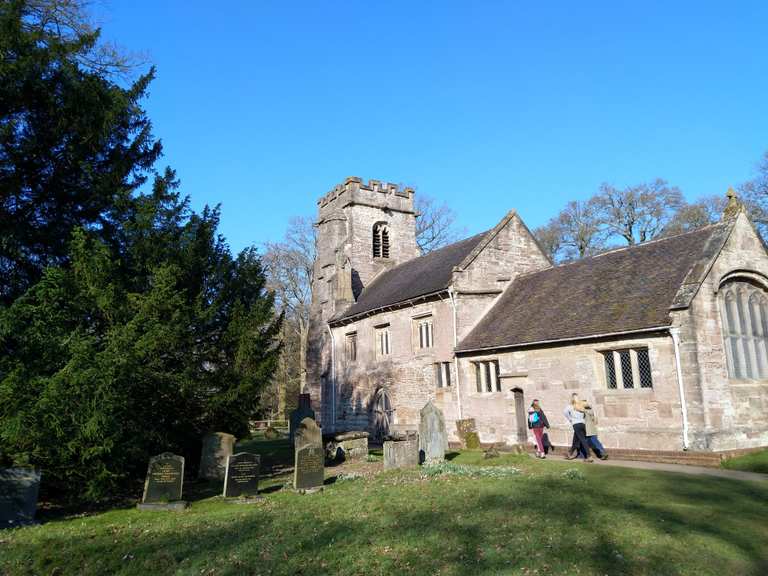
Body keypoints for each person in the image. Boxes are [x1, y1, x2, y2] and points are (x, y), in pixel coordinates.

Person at [563, 393, 593, 462]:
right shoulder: (581, 405)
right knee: (575, 440)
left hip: (576, 424)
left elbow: (565, 412)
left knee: (583, 440)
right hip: (582, 424)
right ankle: (570, 453)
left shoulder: (570, 406)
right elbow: (588, 409)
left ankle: (589, 456)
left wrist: (570, 419)